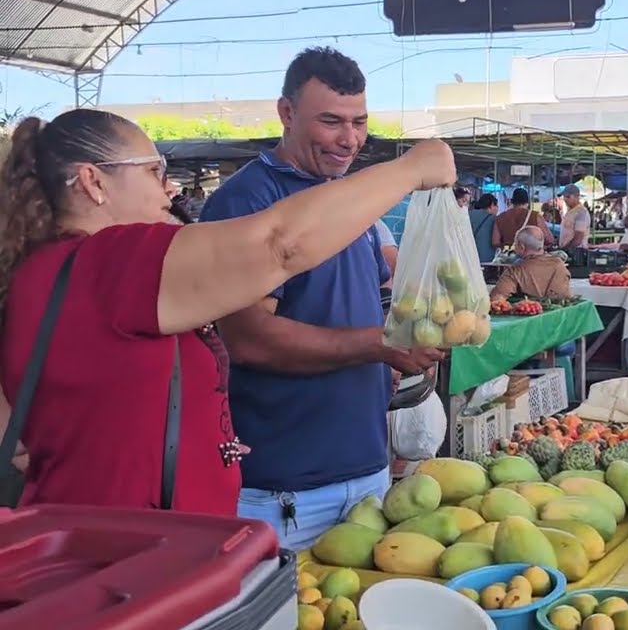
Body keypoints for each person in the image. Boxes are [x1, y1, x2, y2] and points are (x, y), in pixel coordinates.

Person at [0, 108, 456, 516]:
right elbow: (280, 244)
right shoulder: (111, 262)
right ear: (92, 182)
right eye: (153, 171)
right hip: (139, 553)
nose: (170, 188)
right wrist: (409, 170)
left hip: (111, 531)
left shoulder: (42, 270)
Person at [199, 48, 448, 547]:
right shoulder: (247, 202)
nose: (350, 139)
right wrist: (379, 345)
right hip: (286, 493)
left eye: (359, 122)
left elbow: (357, 299)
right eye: (331, 121)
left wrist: (404, 337)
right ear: (286, 114)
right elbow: (251, 341)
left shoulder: (348, 202)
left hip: (367, 472)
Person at [490, 227, 572, 301]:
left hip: (528, 315)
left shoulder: (515, 271)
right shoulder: (559, 264)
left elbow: (496, 298)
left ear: (522, 247)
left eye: (515, 244)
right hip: (560, 315)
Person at [558, 184, 591, 250]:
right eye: (564, 196)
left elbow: (578, 238)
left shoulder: (581, 212)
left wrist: (566, 249)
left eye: (567, 196)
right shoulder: (570, 211)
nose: (565, 199)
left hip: (576, 252)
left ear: (576, 197)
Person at [470, 193, 500, 263]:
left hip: (469, 258)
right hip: (486, 260)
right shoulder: (494, 219)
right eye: (497, 206)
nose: (498, 209)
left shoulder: (468, 214)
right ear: (492, 205)